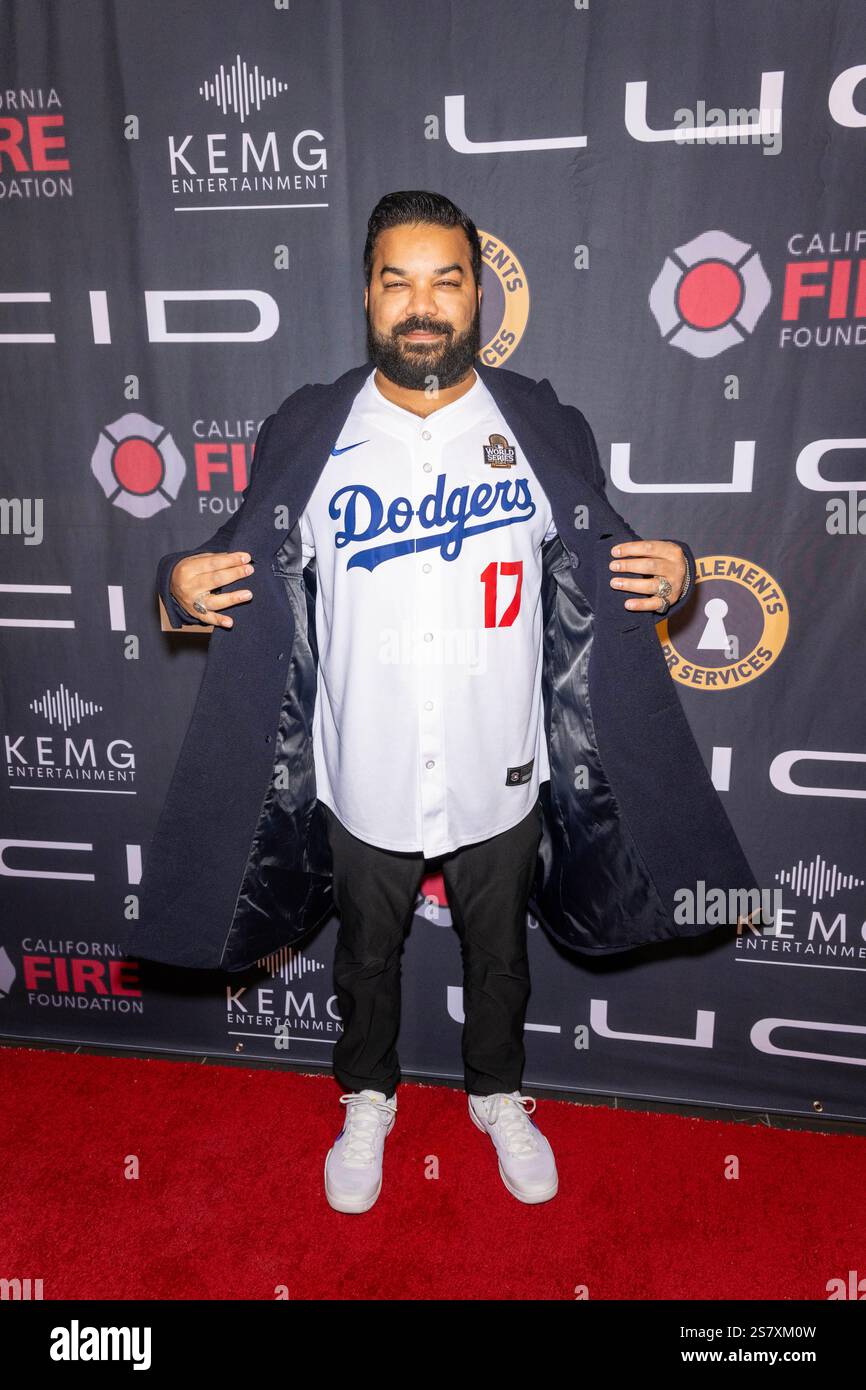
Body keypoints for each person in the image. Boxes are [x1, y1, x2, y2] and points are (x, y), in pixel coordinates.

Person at [165, 192, 690, 1214]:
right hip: (361, 761)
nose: (421, 305)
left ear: (474, 293)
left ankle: (497, 1094)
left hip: (502, 758)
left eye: (443, 281)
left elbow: (619, 559)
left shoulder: (535, 421)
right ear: (366, 294)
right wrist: (175, 586)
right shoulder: (312, 428)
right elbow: (218, 567)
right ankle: (366, 1093)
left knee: (499, 955)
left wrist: (680, 577)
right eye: (396, 281)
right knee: (366, 954)